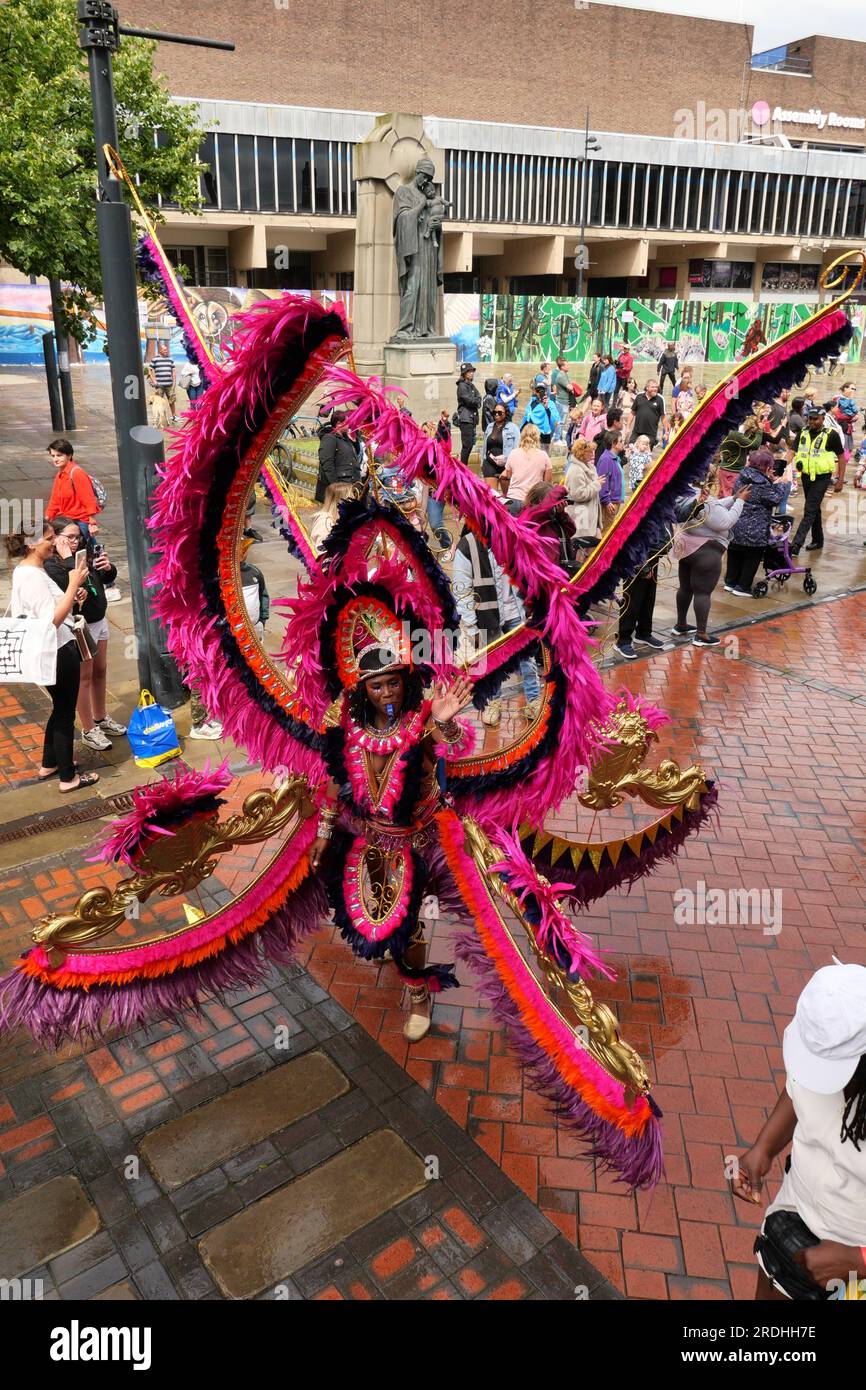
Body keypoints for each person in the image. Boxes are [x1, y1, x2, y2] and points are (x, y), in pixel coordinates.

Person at [732, 960, 866, 1302]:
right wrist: (763, 1148)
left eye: (832, 1070)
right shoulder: (819, 1034)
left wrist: (858, 1261)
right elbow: (799, 1087)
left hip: (853, 1254)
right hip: (792, 1216)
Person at [6, 524, 98, 792]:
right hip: (57, 651)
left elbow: (56, 606)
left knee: (59, 707)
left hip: (54, 649)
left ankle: (50, 763)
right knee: (65, 713)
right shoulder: (31, 576)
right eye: (48, 538)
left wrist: (73, 593)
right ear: (32, 544)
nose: (54, 542)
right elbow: (52, 621)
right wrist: (71, 585)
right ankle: (69, 778)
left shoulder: (30, 571)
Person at [45, 520, 126, 752]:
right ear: (57, 537)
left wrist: (108, 568)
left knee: (101, 670)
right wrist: (69, 557)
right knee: (85, 677)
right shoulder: (53, 564)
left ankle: (101, 717)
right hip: (81, 625)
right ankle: (89, 729)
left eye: (77, 537)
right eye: (69, 537)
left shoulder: (84, 552)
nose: (74, 541)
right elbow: (72, 582)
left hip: (100, 619)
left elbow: (102, 581)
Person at [672, 475, 749, 647]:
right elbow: (725, 521)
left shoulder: (682, 493)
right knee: (703, 593)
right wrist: (741, 502)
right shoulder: (705, 500)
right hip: (706, 550)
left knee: (685, 587)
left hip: (686, 547)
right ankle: (701, 634)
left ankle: (681, 624)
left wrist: (734, 498)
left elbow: (716, 506)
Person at [724, 449, 783, 597]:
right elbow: (775, 499)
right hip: (755, 527)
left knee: (735, 552)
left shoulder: (742, 476)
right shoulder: (762, 483)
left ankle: (730, 582)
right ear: (767, 467)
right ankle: (742, 587)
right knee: (753, 555)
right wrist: (780, 485)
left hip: (736, 522)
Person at [789, 408, 845, 556]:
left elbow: (841, 457)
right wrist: (781, 466)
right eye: (810, 418)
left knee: (809, 510)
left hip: (822, 478)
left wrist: (840, 480)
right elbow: (792, 451)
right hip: (806, 477)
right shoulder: (803, 433)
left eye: (816, 419)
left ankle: (796, 545)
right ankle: (818, 540)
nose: (812, 421)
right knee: (814, 509)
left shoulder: (831, 435)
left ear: (823, 419)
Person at [45, 439, 100, 540]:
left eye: (59, 455)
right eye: (53, 456)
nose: (55, 459)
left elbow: (88, 499)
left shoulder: (76, 473)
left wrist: (92, 523)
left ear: (69, 456)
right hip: (67, 520)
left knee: (85, 551)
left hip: (80, 521)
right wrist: (48, 517)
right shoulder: (60, 474)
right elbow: (55, 500)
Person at [614, 555, 666, 659]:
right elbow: (632, 543)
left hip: (652, 557)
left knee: (648, 598)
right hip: (637, 558)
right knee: (632, 599)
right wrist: (643, 566)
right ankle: (623, 640)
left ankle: (644, 632)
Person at [501, 423, 552, 514]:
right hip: (533, 501)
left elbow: (508, 476)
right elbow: (547, 484)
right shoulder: (544, 456)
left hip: (513, 499)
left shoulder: (513, 453)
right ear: (537, 437)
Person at [315, 409, 361, 503]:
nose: (349, 425)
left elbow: (355, 453)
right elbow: (327, 464)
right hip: (338, 488)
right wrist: (336, 486)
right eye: (347, 422)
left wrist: (354, 439)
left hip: (348, 486)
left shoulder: (345, 438)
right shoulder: (329, 438)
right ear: (339, 423)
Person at [716, 412, 764, 497]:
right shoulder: (735, 435)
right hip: (732, 470)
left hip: (725, 468)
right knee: (729, 497)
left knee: (722, 495)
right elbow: (754, 445)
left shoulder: (726, 431)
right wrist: (759, 431)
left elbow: (745, 445)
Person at [564, 438, 602, 537]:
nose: (593, 454)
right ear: (581, 453)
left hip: (589, 518)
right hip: (581, 518)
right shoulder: (576, 470)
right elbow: (578, 494)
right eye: (589, 452)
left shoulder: (590, 467)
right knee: (582, 547)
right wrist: (597, 484)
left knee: (596, 545)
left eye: (593, 451)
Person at [309, 481, 357, 553]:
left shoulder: (341, 520)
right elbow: (321, 554)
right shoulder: (325, 521)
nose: (354, 501)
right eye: (351, 498)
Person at [480, 403, 520, 482]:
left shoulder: (513, 428)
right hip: (489, 463)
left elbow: (517, 449)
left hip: (506, 465)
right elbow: (484, 447)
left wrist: (510, 464)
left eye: (500, 413)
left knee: (507, 494)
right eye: (494, 412)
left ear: (506, 413)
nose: (497, 414)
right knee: (491, 493)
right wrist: (482, 463)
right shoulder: (489, 427)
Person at [596, 431, 625, 528]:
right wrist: (607, 501)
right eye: (621, 441)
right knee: (606, 532)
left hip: (615, 501)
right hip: (610, 503)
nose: (623, 443)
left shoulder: (614, 458)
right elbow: (603, 482)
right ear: (613, 443)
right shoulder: (606, 459)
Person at [520, 381, 560, 451]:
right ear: (535, 392)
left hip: (543, 436)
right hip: (530, 434)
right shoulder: (531, 402)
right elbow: (526, 417)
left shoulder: (550, 404)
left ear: (545, 391)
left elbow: (555, 421)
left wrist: (546, 408)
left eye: (542, 390)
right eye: (538, 390)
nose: (540, 392)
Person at [456, 362, 482, 466]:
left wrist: (476, 400)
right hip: (466, 419)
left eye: (472, 371)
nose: (472, 373)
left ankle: (463, 467)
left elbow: (479, 398)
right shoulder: (462, 386)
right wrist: (476, 401)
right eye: (469, 372)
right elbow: (470, 401)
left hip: (471, 418)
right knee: (467, 445)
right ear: (464, 373)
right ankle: (463, 468)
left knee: (470, 444)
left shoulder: (470, 385)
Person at [630, 380, 666, 449]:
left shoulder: (660, 399)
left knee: (645, 455)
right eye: (653, 387)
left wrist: (667, 433)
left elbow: (663, 418)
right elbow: (632, 413)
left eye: (656, 387)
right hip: (636, 432)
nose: (655, 389)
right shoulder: (639, 396)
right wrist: (628, 428)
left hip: (650, 434)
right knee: (631, 451)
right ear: (647, 388)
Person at [147, 341, 177, 421]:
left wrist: (174, 384)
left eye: (166, 350)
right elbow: (149, 370)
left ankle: (174, 416)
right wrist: (154, 381)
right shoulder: (155, 359)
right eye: (164, 350)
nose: (166, 351)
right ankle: (158, 417)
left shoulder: (170, 359)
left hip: (169, 384)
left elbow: (173, 372)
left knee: (172, 401)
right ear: (160, 350)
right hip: (159, 385)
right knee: (158, 402)